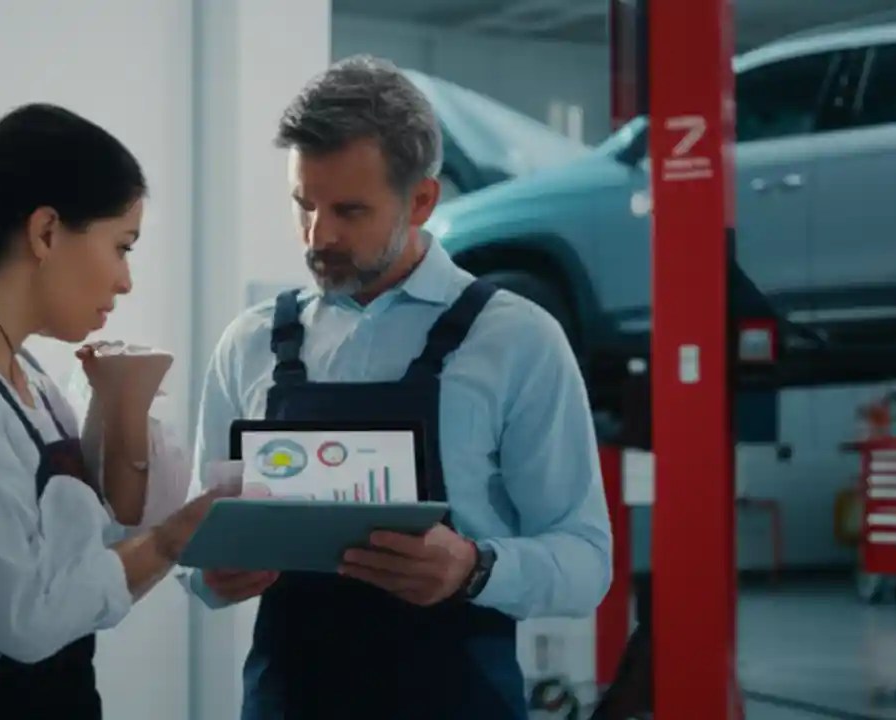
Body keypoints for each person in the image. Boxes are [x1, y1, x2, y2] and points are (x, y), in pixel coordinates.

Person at [189, 56, 613, 719]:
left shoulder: (517, 341)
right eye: (304, 205)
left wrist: (472, 567)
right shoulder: (249, 345)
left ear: (421, 201)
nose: (319, 235)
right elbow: (196, 539)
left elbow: (586, 562)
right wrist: (212, 573)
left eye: (349, 210)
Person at [0, 103, 231, 720]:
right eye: (121, 247)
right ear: (47, 232)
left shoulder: (26, 374)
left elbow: (94, 553)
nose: (126, 281)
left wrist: (121, 409)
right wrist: (169, 541)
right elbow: (26, 616)